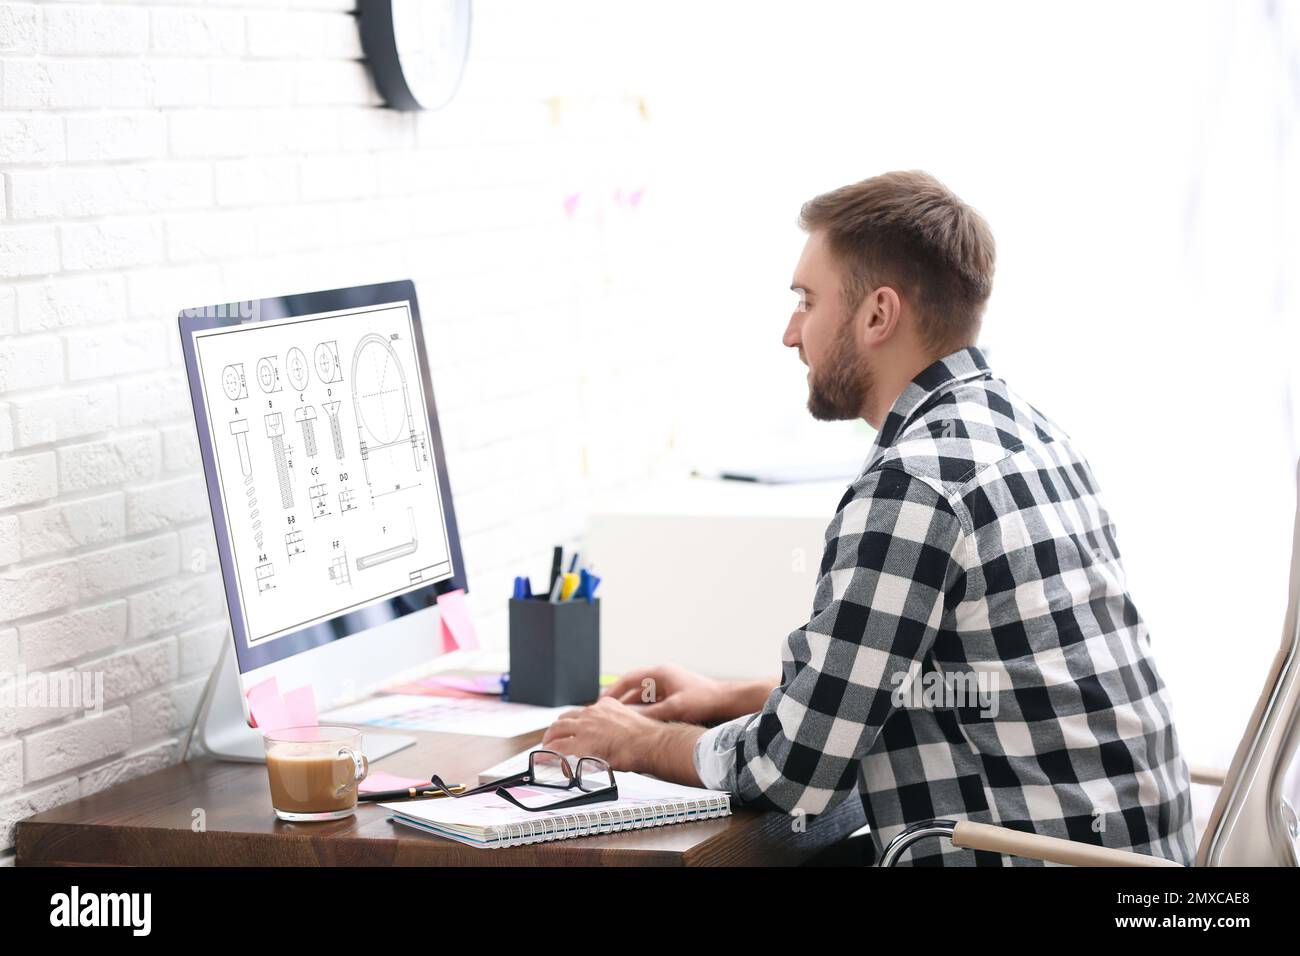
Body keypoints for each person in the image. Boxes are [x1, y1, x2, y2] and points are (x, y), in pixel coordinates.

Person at [542, 170, 1196, 865]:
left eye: (806, 300)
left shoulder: (916, 485)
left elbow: (795, 769)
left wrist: (641, 742)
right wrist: (728, 695)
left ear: (878, 315)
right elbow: (957, 684)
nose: (790, 333)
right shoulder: (1028, 436)